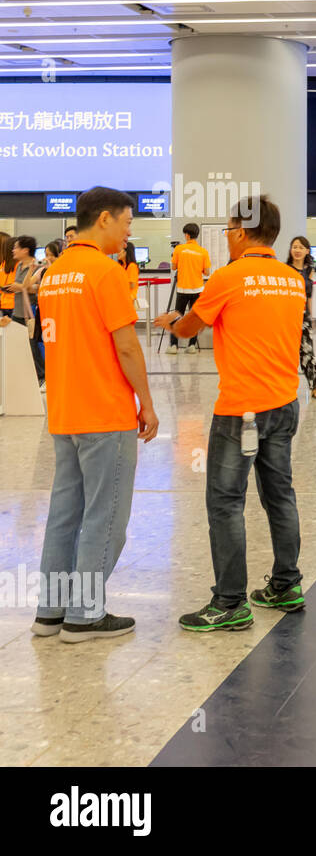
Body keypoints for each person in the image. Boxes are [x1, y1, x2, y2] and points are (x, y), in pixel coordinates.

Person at [158, 196, 308, 632]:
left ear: (241, 232)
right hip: (284, 403)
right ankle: (286, 585)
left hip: (240, 409)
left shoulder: (229, 276)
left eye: (226, 230)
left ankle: (229, 602)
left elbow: (190, 328)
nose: (225, 238)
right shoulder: (292, 279)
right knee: (280, 495)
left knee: (225, 503)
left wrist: (172, 321)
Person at [33, 186, 158, 642]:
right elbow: (125, 344)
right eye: (127, 223)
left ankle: (50, 611)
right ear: (103, 219)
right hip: (105, 413)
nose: (129, 233)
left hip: (65, 412)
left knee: (65, 513)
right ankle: (84, 614)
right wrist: (146, 401)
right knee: (105, 516)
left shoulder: (54, 273)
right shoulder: (104, 272)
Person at [285, 235, 316, 400]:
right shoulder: (285, 269)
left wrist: (311, 316)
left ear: (307, 251)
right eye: (295, 247)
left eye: (301, 247)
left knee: (308, 352)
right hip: (287, 317)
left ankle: (314, 387)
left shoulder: (309, 270)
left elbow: (309, 295)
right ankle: (285, 388)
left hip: (303, 317)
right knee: (286, 353)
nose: (297, 250)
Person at [4, 236, 46, 385]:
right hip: (18, 312)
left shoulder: (38, 268)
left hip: (30, 314)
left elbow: (34, 289)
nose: (13, 250)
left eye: (16, 247)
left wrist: (20, 287)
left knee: (34, 347)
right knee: (18, 345)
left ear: (25, 250)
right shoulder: (20, 266)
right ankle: (26, 375)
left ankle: (42, 376)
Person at [167, 222, 210, 355]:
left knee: (176, 316)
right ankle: (192, 346)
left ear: (186, 235)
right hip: (197, 289)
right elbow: (207, 272)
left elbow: (173, 267)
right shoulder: (203, 251)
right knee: (194, 318)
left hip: (182, 289)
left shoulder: (179, 249)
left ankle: (174, 345)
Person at [118, 242, 140, 306]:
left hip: (129, 298)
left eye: (120, 251)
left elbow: (132, 285)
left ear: (126, 252)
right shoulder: (122, 266)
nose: (118, 253)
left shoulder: (132, 266)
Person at [0, 233, 14, 324]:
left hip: (11, 307)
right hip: (3, 305)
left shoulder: (15, 264)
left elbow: (11, 287)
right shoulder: (3, 264)